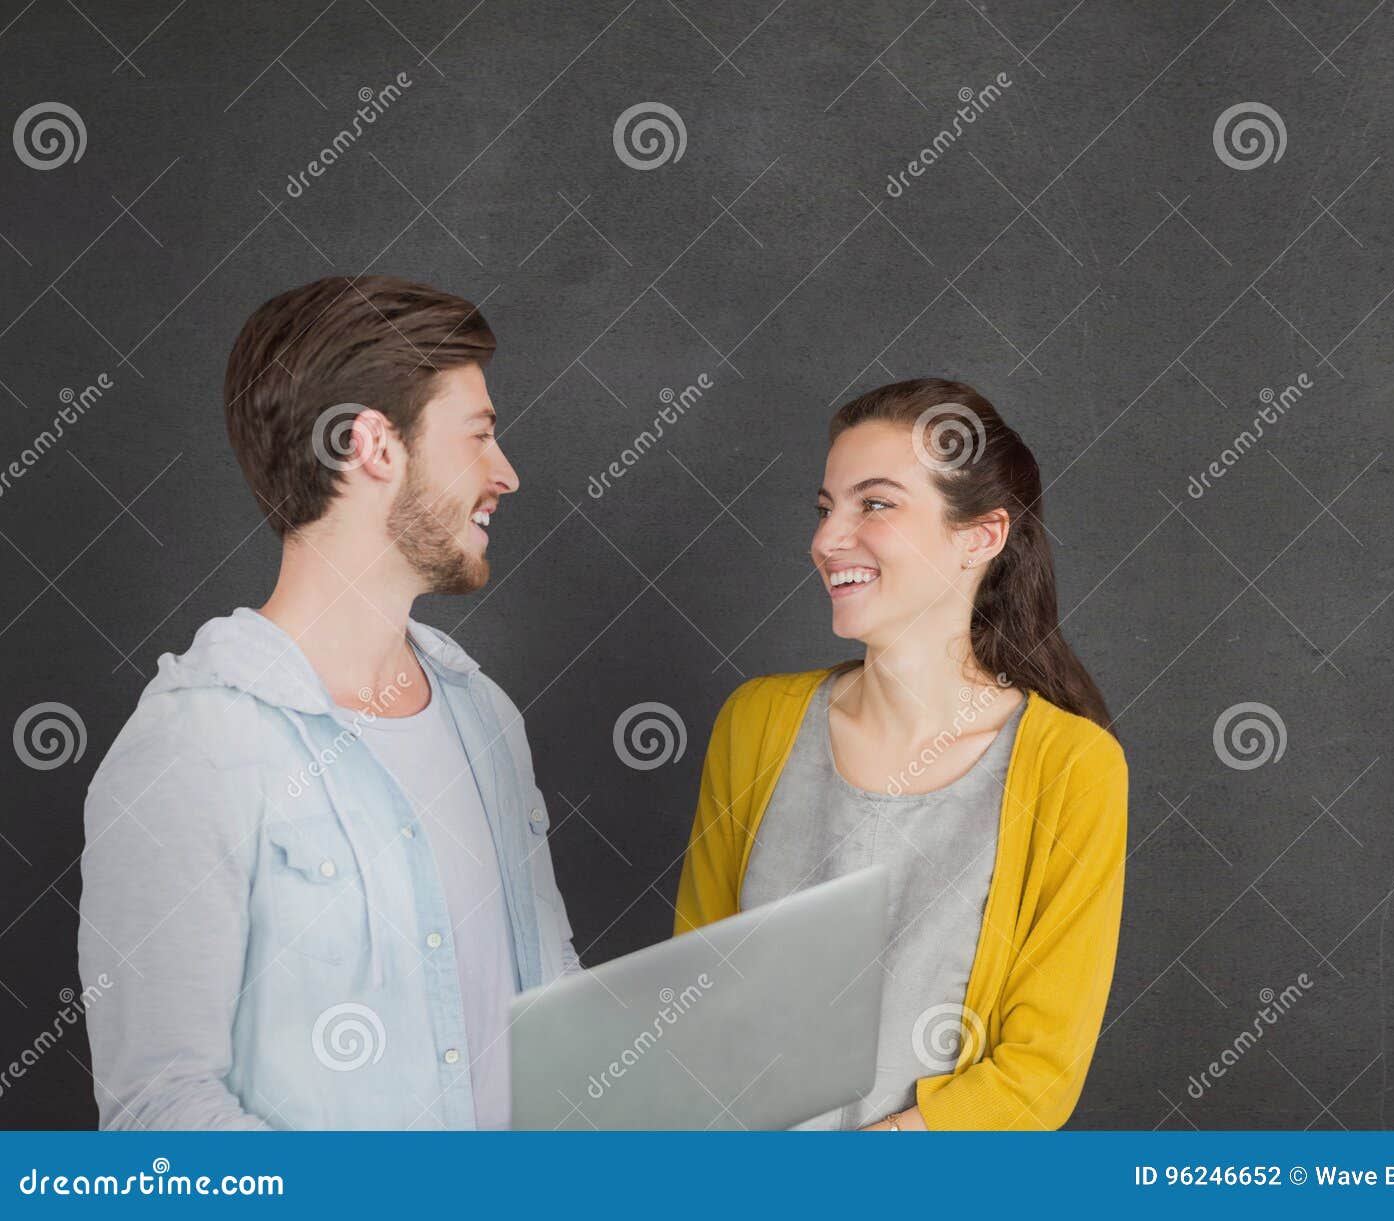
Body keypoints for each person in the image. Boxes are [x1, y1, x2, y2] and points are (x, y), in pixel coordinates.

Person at [78, 275, 578, 1130]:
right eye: (479, 436)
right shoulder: (194, 747)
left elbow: (552, 1009)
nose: (506, 474)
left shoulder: (487, 715)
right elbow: (157, 1111)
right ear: (373, 444)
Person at [674, 378, 1128, 1131]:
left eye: (874, 503)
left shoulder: (1073, 768)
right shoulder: (756, 722)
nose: (826, 539)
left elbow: (1039, 1071)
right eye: (826, 508)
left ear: (981, 536)